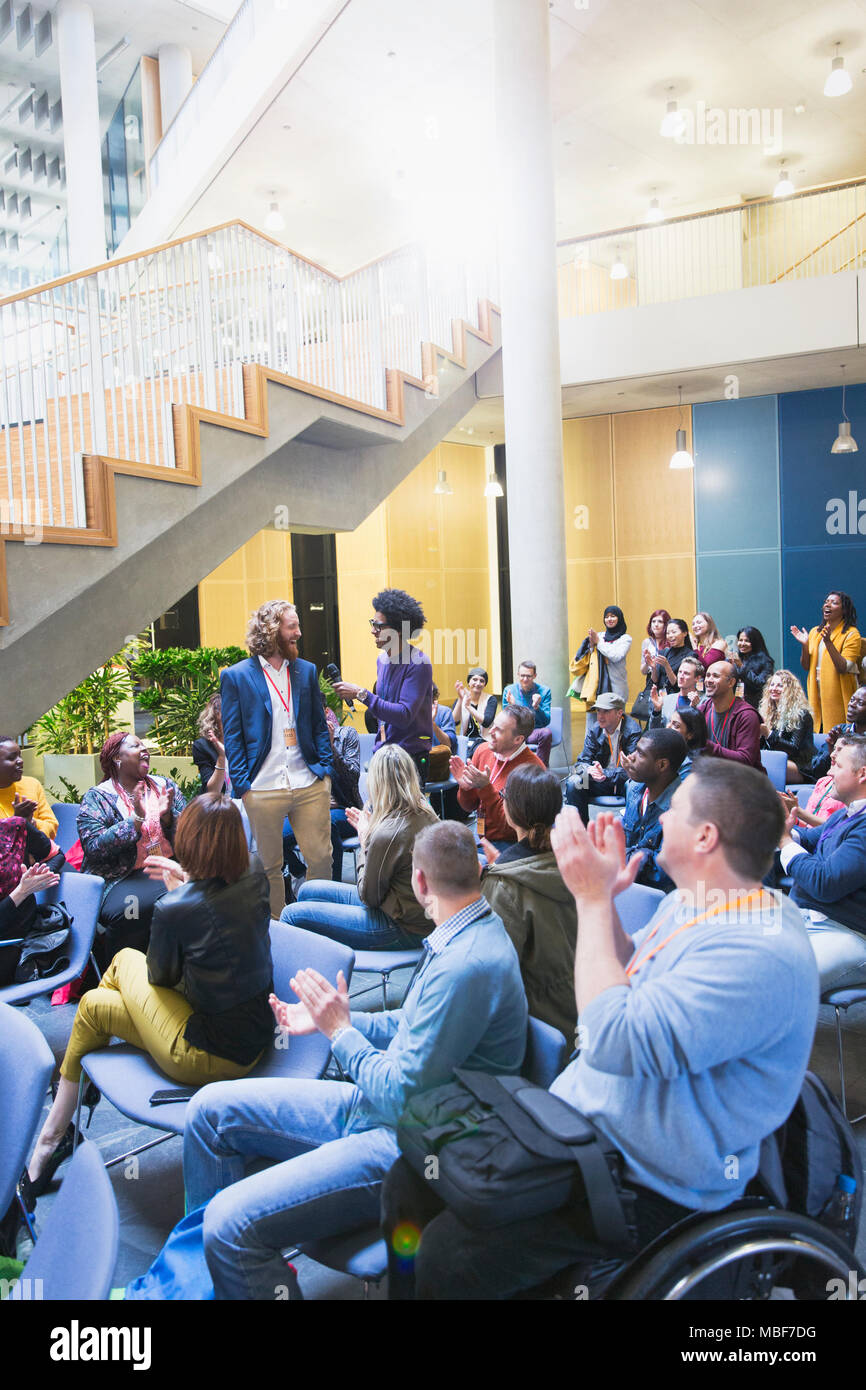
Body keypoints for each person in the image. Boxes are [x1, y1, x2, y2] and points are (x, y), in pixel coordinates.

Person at [381, 760, 819, 1301]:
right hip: (582, 1132)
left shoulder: (761, 951)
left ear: (706, 836)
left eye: (675, 811)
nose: (659, 820)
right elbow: (630, 967)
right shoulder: (693, 902)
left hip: (648, 1181)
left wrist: (588, 899)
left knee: (450, 1257)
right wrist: (606, 900)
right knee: (408, 1181)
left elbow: (612, 1039)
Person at [180, 819, 528, 1300]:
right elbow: (406, 1025)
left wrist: (341, 1033)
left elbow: (398, 1095)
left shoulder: (467, 964)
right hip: (382, 1106)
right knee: (208, 1111)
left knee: (227, 1225)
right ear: (478, 871)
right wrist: (333, 1021)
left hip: (410, 1142)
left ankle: (235, 1270)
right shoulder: (462, 935)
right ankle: (208, 1282)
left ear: (420, 881)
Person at [26, 795, 273, 1198]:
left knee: (117, 968)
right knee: (96, 1001)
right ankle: (56, 1133)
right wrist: (187, 889)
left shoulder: (177, 907)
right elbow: (219, 911)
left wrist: (178, 897)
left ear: (189, 841)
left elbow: (160, 977)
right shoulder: (255, 871)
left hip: (209, 1054)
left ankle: (55, 1131)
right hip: (256, 1033)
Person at [220, 599, 333, 917]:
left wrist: (324, 772)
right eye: (292, 626)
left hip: (308, 780)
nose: (299, 632)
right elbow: (233, 734)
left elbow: (318, 725)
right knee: (270, 867)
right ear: (272, 631)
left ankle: (319, 923)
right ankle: (279, 933)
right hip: (263, 786)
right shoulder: (237, 676)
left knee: (321, 859)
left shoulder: (306, 671)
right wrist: (244, 785)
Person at [279, 744, 438, 949]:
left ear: (377, 783)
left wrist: (365, 840)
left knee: (291, 915)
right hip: (413, 912)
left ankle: (307, 975)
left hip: (400, 926)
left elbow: (368, 897)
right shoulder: (425, 811)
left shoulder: (388, 833)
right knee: (308, 889)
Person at [480, 765, 577, 1040]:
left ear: (511, 812)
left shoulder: (505, 885)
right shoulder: (582, 868)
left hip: (533, 1024)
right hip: (581, 1008)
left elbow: (494, 975)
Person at [78, 733, 186, 966]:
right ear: (117, 757)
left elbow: (191, 833)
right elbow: (94, 848)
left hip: (168, 864)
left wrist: (168, 818)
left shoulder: (165, 787)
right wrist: (135, 819)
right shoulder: (97, 798)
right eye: (136, 745)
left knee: (199, 890)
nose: (144, 749)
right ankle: (120, 972)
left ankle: (175, 970)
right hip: (121, 877)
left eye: (144, 745)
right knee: (132, 909)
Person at [779, 734, 866, 990]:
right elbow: (807, 838)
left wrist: (784, 842)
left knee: (777, 979)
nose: (828, 773)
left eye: (838, 766)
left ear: (862, 774)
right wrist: (780, 829)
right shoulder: (847, 814)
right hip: (806, 920)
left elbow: (825, 882)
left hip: (846, 933)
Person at [332, 589, 434, 784]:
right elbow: (384, 714)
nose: (372, 630)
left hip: (409, 758)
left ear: (397, 630)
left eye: (378, 626)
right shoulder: (382, 660)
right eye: (373, 624)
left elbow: (404, 715)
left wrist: (361, 694)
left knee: (406, 815)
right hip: (383, 754)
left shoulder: (418, 662)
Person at [451, 705, 544, 849]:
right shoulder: (482, 751)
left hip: (514, 843)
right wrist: (466, 789)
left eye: (499, 730)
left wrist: (485, 787)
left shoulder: (532, 770)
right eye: (494, 725)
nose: (491, 731)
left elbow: (510, 829)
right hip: (484, 837)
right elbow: (468, 807)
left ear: (518, 739)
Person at [621, 729, 686, 892]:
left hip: (659, 896)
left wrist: (619, 855)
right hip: (628, 882)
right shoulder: (634, 788)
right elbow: (624, 835)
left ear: (662, 765)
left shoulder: (682, 808)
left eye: (641, 754)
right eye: (635, 750)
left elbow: (660, 872)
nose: (631, 757)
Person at [564, 692, 642, 824]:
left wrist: (604, 773)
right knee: (574, 782)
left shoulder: (633, 731)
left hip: (623, 782)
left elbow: (633, 770)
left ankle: (630, 831)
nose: (600, 716)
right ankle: (581, 829)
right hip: (599, 780)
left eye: (606, 711)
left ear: (619, 713)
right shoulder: (595, 730)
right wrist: (588, 770)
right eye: (598, 711)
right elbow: (581, 762)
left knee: (635, 785)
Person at [0, 818, 60, 986]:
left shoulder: (15, 828)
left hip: (11, 944)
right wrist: (22, 890)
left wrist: (39, 879)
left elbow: (56, 855)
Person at [791, 591, 862, 733]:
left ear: (844, 610)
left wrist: (828, 642)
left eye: (834, 602)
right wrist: (805, 646)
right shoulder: (815, 632)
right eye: (826, 602)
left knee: (838, 735)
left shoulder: (851, 634)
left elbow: (844, 667)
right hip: (816, 695)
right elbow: (806, 666)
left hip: (837, 697)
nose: (827, 605)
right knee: (818, 733)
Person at [759, 669, 825, 784]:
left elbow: (793, 749)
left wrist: (768, 733)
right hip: (776, 759)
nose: (774, 688)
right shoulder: (768, 714)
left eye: (780, 686)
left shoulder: (802, 715)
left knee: (763, 765)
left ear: (789, 690)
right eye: (772, 684)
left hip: (800, 765)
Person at [697, 661, 762, 768]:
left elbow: (745, 760)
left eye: (715, 676)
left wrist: (705, 745)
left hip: (744, 779)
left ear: (731, 682)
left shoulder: (747, 715)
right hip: (712, 776)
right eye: (707, 675)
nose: (708, 680)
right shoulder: (703, 710)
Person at [0, 736, 58, 842]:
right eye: (12, 758)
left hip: (38, 854)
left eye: (20, 756)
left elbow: (52, 826)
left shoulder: (32, 784)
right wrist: (15, 823)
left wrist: (31, 823)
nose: (20, 761)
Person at [502, 660, 553, 766]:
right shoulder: (509, 690)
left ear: (534, 676)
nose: (525, 679)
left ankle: (540, 770)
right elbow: (505, 722)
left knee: (546, 733)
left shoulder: (544, 691)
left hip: (534, 732)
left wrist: (537, 707)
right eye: (522, 676)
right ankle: (511, 771)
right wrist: (512, 706)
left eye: (528, 676)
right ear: (518, 675)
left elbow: (546, 721)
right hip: (516, 732)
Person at [648, 653, 704, 726]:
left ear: (697, 678)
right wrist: (657, 711)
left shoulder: (703, 701)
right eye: (680, 672)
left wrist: (693, 709)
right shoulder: (667, 700)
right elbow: (654, 732)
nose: (681, 676)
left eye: (686, 673)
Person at [591, 605, 632, 706]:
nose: (609, 619)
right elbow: (591, 657)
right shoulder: (600, 636)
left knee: (616, 717)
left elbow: (616, 656)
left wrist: (598, 643)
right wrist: (591, 645)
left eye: (613, 616)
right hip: (597, 686)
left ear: (619, 618)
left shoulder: (625, 639)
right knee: (596, 719)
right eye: (607, 616)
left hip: (616, 687)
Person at [452, 668, 497, 755]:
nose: (478, 683)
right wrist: (461, 699)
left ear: (484, 685)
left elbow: (486, 722)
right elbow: (454, 722)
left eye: (481, 681)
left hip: (485, 740)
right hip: (466, 739)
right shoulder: (462, 698)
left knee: (473, 753)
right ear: (469, 682)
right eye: (474, 680)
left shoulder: (491, 699)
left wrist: (469, 707)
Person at [192, 694, 230, 795]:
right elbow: (213, 791)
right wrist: (222, 757)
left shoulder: (243, 741)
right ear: (215, 716)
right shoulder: (202, 746)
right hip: (220, 805)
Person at [731, 627, 774, 710]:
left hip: (754, 706)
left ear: (755, 642)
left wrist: (742, 667)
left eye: (747, 641)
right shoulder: (736, 658)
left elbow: (761, 684)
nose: (742, 644)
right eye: (740, 640)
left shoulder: (765, 661)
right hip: (735, 704)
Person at [650, 619, 694, 693]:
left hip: (676, 697)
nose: (670, 636)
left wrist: (667, 666)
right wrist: (653, 667)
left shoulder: (690, 656)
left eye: (674, 632)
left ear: (685, 633)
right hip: (659, 696)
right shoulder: (663, 652)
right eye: (668, 633)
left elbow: (677, 684)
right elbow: (655, 680)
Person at [668, 706, 708, 779]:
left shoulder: (690, 765)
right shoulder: (672, 751)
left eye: (676, 725)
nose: (668, 727)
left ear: (690, 734)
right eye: (669, 721)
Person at [639, 609, 672, 695]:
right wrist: (647, 662)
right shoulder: (647, 642)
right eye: (653, 621)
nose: (656, 625)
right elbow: (643, 671)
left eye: (660, 622)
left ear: (666, 624)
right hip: (651, 680)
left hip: (667, 679)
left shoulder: (671, 641)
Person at [827, 684, 866, 749]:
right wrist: (833, 747)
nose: (851, 704)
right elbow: (817, 759)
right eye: (852, 700)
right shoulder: (839, 731)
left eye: (860, 703)